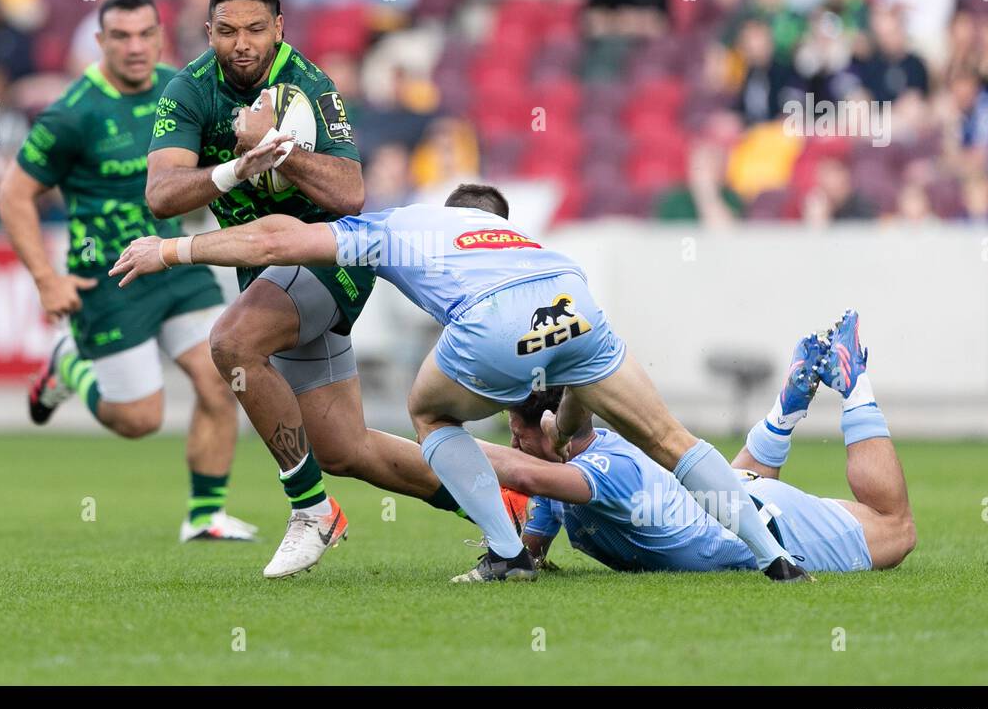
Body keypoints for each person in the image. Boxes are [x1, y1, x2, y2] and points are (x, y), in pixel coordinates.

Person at [112, 184, 811, 583]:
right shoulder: (510, 234)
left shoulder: (398, 226)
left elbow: (275, 242)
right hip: (572, 295)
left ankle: (506, 555)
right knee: (669, 437)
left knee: (430, 416)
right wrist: (566, 431)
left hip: (493, 322)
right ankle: (775, 559)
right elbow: (573, 389)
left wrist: (173, 249)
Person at [143, 0, 481, 580]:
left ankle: (310, 511)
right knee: (347, 449)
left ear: (279, 28)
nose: (241, 44)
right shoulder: (188, 90)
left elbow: (351, 193)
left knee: (232, 343)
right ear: (208, 33)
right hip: (265, 271)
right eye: (226, 32)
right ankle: (514, 500)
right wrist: (234, 169)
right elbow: (162, 195)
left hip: (333, 261)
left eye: (254, 30)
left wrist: (279, 151)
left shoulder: (312, 86)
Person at [0, 0, 255, 543]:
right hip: (108, 277)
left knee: (222, 381)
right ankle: (70, 366)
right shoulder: (72, 114)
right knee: (141, 420)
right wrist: (46, 278)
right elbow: (13, 195)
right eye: (121, 36)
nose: (135, 47)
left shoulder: (181, 90)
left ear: (161, 36)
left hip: (171, 261)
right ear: (100, 42)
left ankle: (205, 516)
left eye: (145, 34)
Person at [487, 312, 916, 575]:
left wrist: (443, 442)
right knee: (720, 495)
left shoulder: (604, 468)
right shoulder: (557, 478)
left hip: (777, 529)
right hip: (731, 494)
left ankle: (856, 385)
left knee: (897, 530)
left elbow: (524, 473)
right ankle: (782, 413)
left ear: (549, 429)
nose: (512, 442)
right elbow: (532, 549)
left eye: (517, 433)